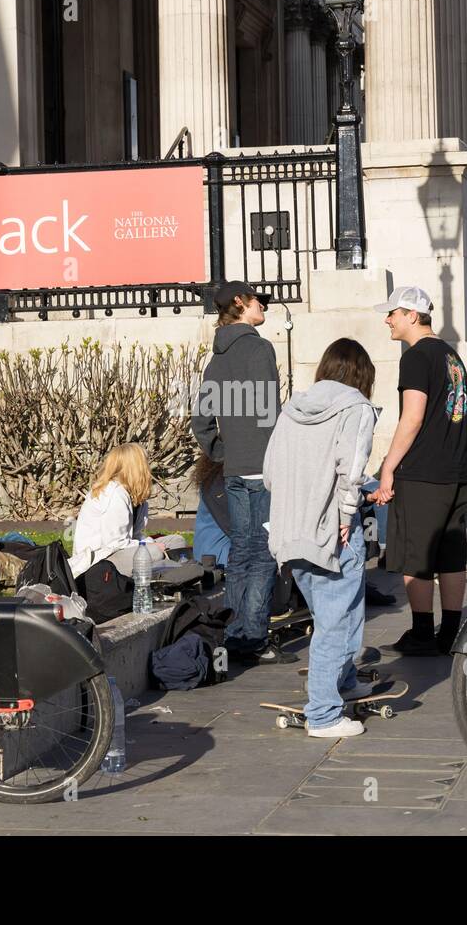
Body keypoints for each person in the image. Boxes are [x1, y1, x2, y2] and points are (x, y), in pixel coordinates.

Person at [265, 338, 381, 737]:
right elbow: (350, 468)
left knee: (335, 615)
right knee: (335, 621)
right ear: (362, 374)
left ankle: (344, 681)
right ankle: (323, 714)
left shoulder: (291, 409)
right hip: (334, 531)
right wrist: (348, 513)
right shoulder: (357, 408)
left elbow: (269, 473)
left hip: (289, 531)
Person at [368, 286, 467, 657]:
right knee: (450, 552)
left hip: (422, 472)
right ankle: (450, 633)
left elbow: (412, 416)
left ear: (412, 315)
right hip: (457, 471)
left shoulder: (415, 357)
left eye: (393, 314)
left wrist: (388, 467)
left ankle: (421, 634)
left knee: (416, 553)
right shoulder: (452, 357)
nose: (388, 320)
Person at [191, 280, 292, 664]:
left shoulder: (216, 359)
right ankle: (253, 636)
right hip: (260, 467)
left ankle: (233, 633)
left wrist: (224, 451)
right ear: (240, 303)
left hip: (234, 468)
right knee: (263, 551)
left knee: (240, 551)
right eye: (257, 300)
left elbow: (202, 421)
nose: (263, 306)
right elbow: (269, 414)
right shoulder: (259, 348)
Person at [67, 443, 187, 577]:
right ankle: (159, 573)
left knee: (177, 541)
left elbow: (135, 535)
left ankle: (162, 573)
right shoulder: (114, 493)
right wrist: (150, 545)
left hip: (121, 550)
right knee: (154, 553)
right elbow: (115, 543)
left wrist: (149, 542)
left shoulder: (135, 496)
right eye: (145, 462)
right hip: (99, 561)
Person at [190, 451, 231, 567]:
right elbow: (233, 525)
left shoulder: (215, 478)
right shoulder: (217, 482)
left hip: (213, 551)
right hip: (215, 557)